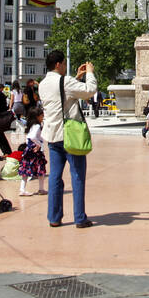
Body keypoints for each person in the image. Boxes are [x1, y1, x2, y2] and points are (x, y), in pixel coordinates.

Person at [39, 50, 97, 228]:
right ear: (58, 64)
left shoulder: (42, 83)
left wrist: (76, 78)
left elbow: (64, 96)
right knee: (77, 175)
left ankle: (54, 217)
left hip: (52, 135)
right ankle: (79, 217)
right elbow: (89, 91)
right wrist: (90, 73)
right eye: (64, 63)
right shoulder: (64, 81)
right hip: (70, 135)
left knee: (55, 177)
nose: (65, 66)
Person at [17, 104, 47, 197]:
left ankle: (22, 189)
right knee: (40, 169)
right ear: (37, 116)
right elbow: (33, 136)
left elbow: (29, 137)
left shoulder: (31, 125)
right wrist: (39, 144)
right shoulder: (37, 126)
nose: (43, 117)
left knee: (26, 170)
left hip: (29, 149)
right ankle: (41, 188)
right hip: (35, 150)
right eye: (42, 116)